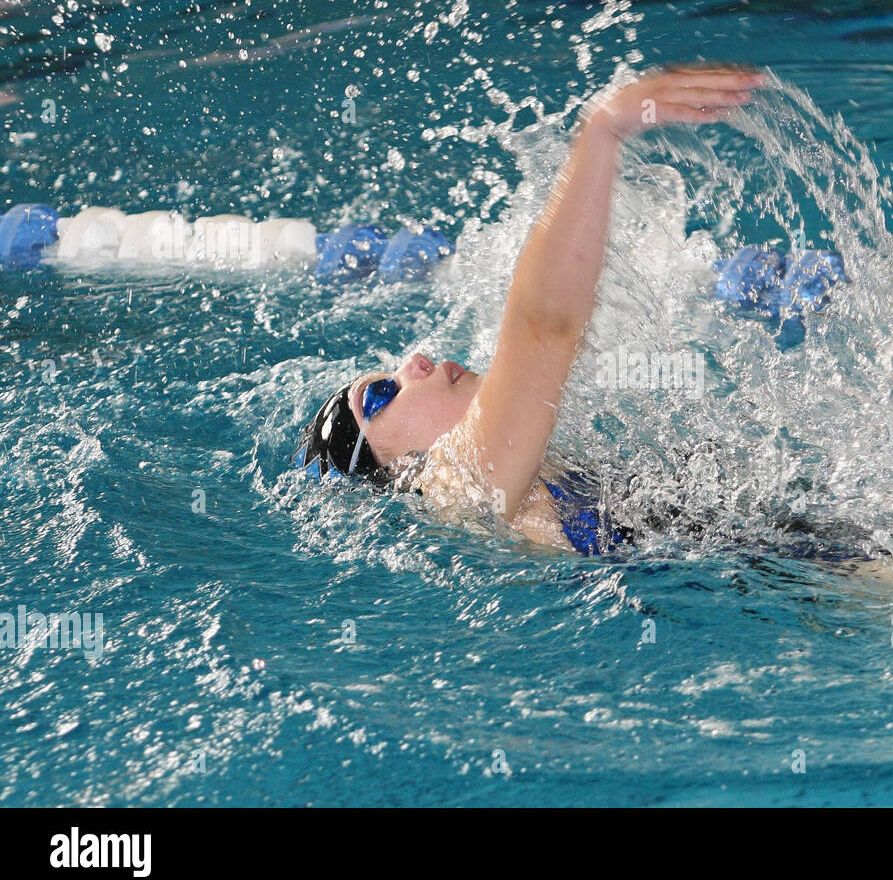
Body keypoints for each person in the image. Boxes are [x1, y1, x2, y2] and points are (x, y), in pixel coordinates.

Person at [295, 65, 768, 556]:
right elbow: (546, 328)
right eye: (382, 395)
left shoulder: (523, 477)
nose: (415, 362)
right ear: (396, 468)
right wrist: (602, 131)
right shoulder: (454, 488)